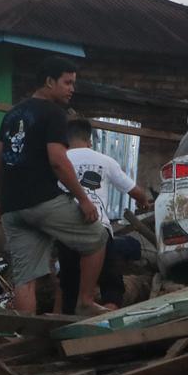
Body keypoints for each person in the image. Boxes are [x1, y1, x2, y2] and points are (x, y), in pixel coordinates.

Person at [0, 56, 109, 315]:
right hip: (43, 201)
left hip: (13, 209)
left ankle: (27, 335)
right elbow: (58, 161)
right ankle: (86, 302)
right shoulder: (54, 113)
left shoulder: (12, 115)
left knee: (25, 279)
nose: (72, 89)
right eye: (67, 83)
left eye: (73, 83)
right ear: (48, 82)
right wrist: (84, 200)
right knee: (97, 237)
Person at [54, 118, 153, 315]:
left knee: (69, 285)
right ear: (89, 140)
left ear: (65, 141)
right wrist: (144, 202)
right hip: (99, 231)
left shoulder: (58, 163)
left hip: (66, 232)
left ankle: (68, 331)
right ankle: (105, 325)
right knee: (112, 286)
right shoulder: (106, 161)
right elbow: (135, 191)